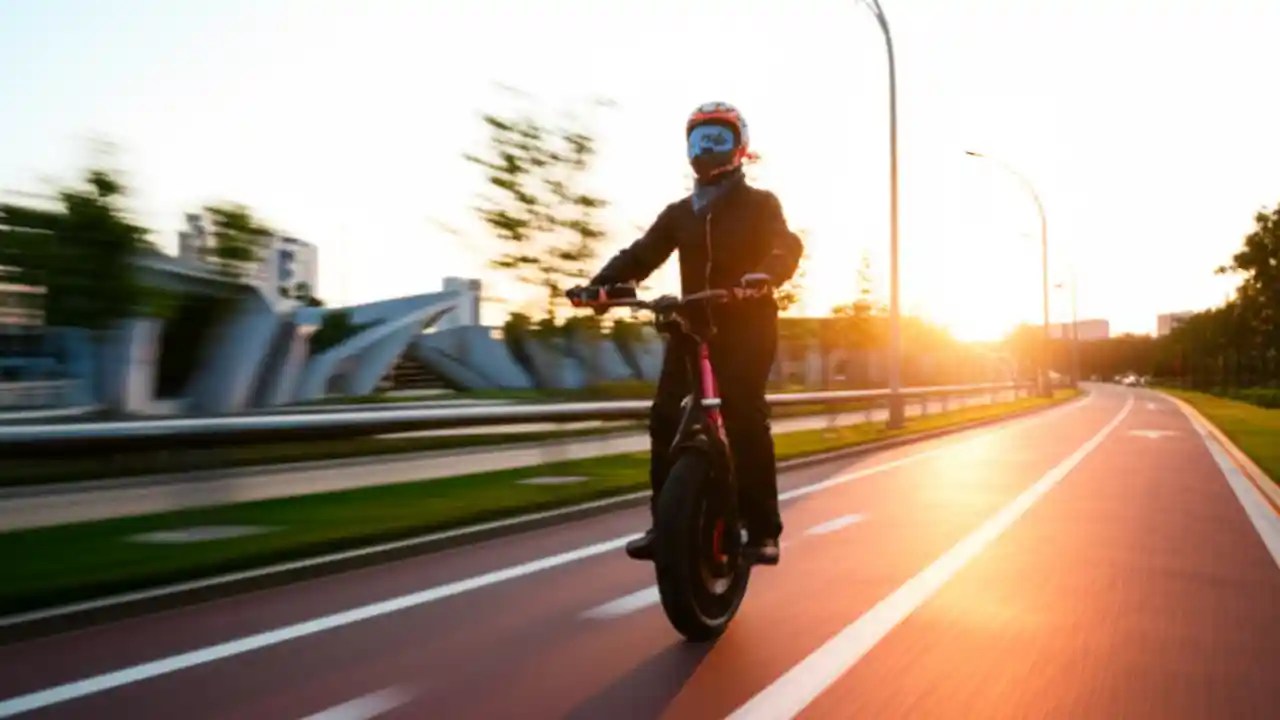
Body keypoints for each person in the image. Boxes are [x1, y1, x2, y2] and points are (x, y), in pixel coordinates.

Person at [571, 101, 803, 565]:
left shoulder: (761, 204)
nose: (708, 148)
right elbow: (640, 255)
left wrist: (766, 276)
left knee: (743, 416)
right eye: (699, 139)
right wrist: (599, 287)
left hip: (746, 326)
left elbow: (786, 245)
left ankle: (762, 530)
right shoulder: (679, 214)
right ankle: (666, 526)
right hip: (692, 328)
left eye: (719, 138)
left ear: (740, 148)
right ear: (688, 149)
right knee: (664, 419)